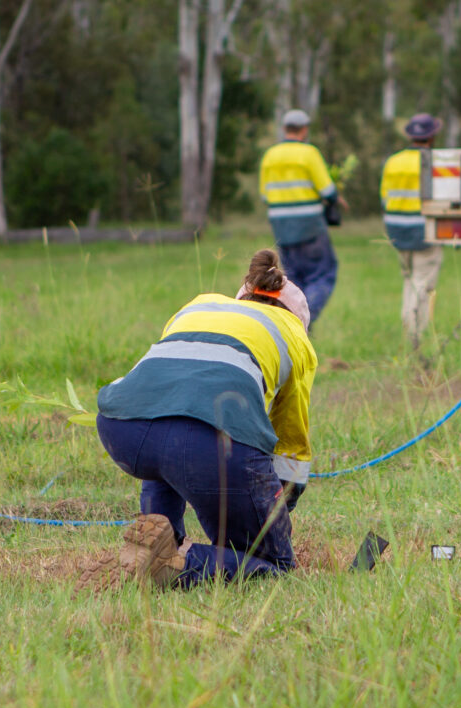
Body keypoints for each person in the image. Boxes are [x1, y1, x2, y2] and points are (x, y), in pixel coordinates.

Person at [97, 249, 318, 589]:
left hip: (123, 427)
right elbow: (291, 445)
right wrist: (276, 506)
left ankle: (160, 534)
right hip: (207, 441)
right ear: (296, 317)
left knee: (168, 435)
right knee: (274, 565)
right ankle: (179, 561)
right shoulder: (295, 337)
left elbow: (171, 387)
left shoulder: (200, 304)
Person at [257, 109, 339, 326]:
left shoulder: (270, 156)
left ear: (285, 129)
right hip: (310, 226)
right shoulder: (309, 153)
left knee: (293, 280)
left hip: (281, 228)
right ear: (304, 130)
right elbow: (328, 191)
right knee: (323, 275)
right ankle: (301, 323)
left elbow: (265, 195)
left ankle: (288, 325)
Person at [380, 113, 443, 350]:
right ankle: (415, 333)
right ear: (432, 136)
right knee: (422, 283)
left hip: (397, 231)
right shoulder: (434, 161)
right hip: (424, 230)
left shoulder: (392, 161)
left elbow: (385, 197)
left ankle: (409, 325)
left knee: (409, 279)